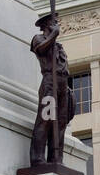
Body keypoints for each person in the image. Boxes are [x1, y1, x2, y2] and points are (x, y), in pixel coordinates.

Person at [29, 11, 75, 166]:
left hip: (63, 83)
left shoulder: (58, 46)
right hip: (50, 81)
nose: (57, 24)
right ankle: (38, 158)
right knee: (46, 119)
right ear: (46, 24)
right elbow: (41, 49)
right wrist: (53, 36)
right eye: (54, 21)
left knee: (61, 122)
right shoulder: (39, 39)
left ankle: (56, 158)